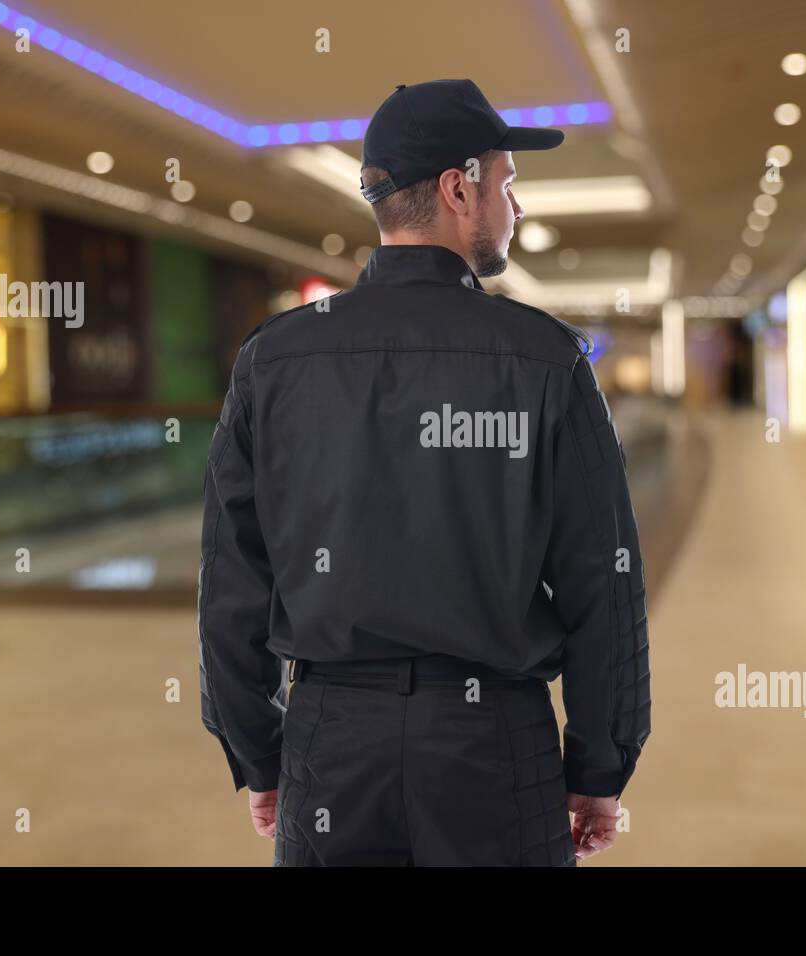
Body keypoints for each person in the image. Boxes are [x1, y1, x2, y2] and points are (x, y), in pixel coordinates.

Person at [198, 79, 651, 866]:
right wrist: (598, 764)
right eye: (508, 185)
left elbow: (233, 580)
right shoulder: (544, 359)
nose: (517, 207)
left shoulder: (274, 360)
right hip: (493, 748)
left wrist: (260, 753)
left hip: (329, 749)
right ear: (458, 188)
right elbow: (602, 584)